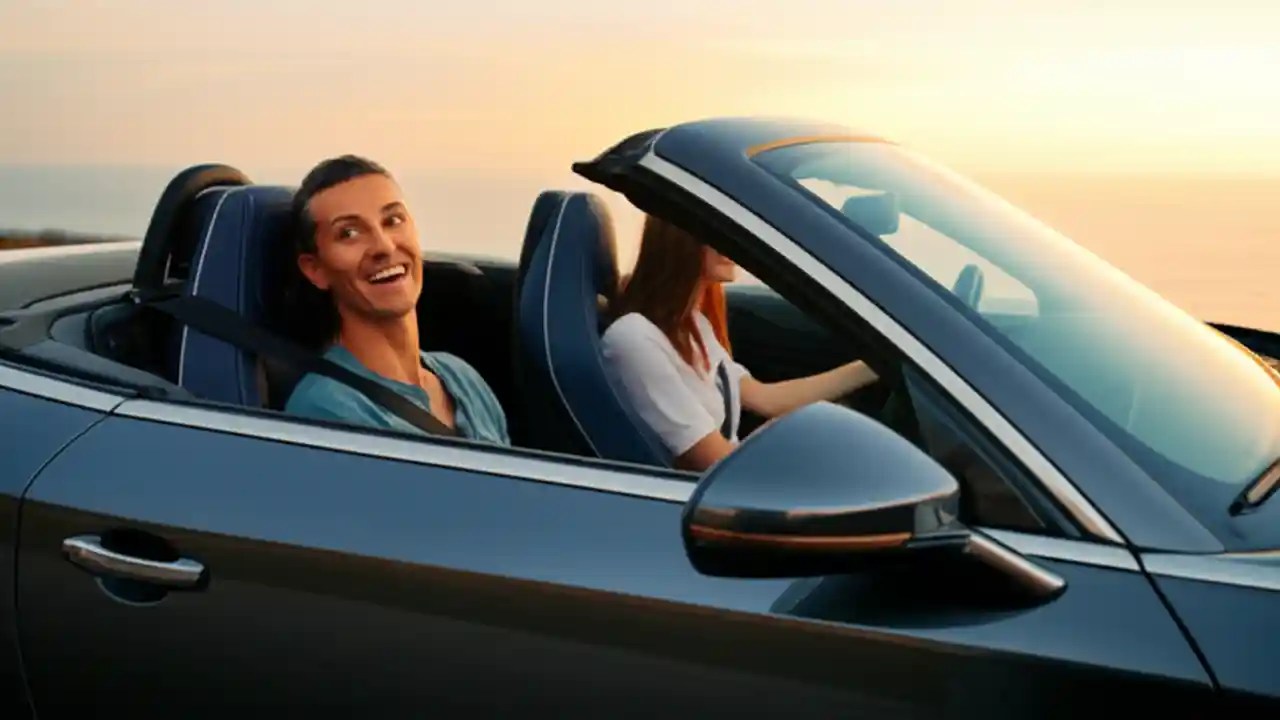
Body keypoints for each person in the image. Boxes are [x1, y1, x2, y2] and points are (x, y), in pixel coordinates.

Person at [601, 215, 878, 471]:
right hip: (713, 501)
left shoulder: (693, 326)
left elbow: (765, 398)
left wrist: (873, 366)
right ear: (680, 238)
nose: (731, 242)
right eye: (717, 231)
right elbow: (719, 464)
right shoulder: (635, 339)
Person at [281, 154, 509, 445]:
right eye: (349, 233)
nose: (384, 246)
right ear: (316, 269)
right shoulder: (327, 410)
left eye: (393, 220)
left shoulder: (461, 377)